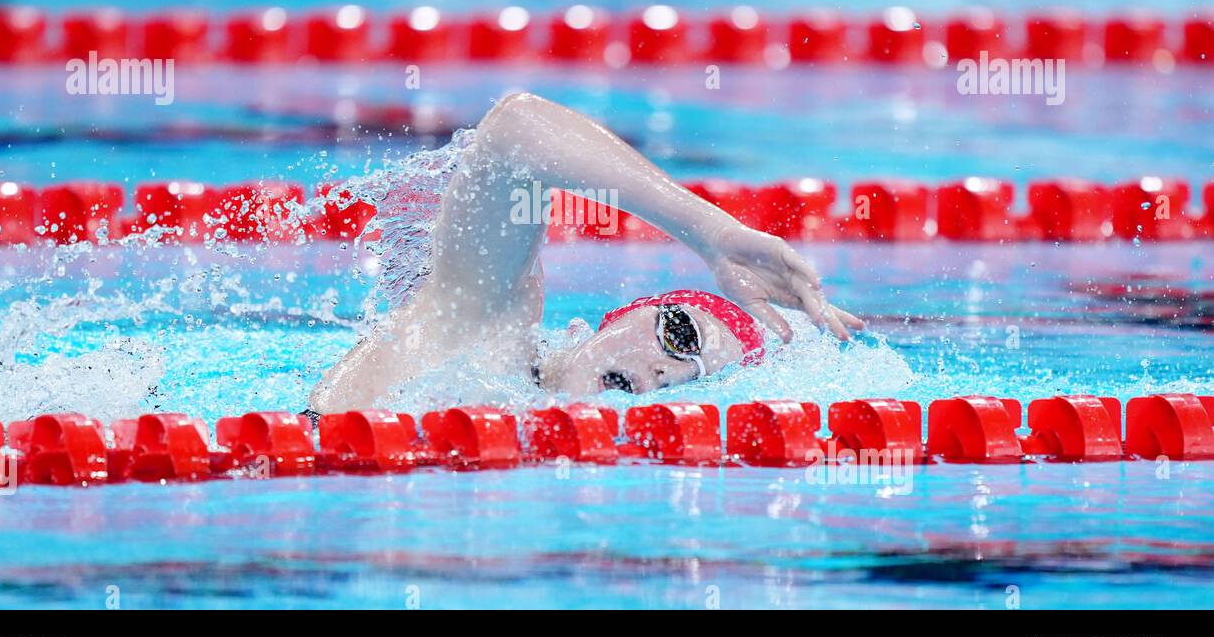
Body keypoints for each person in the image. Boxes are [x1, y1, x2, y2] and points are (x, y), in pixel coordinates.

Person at [309, 92, 862, 414]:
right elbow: (516, 130)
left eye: (694, 383)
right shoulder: (489, 325)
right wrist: (711, 235)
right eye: (680, 335)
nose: (665, 375)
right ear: (611, 319)